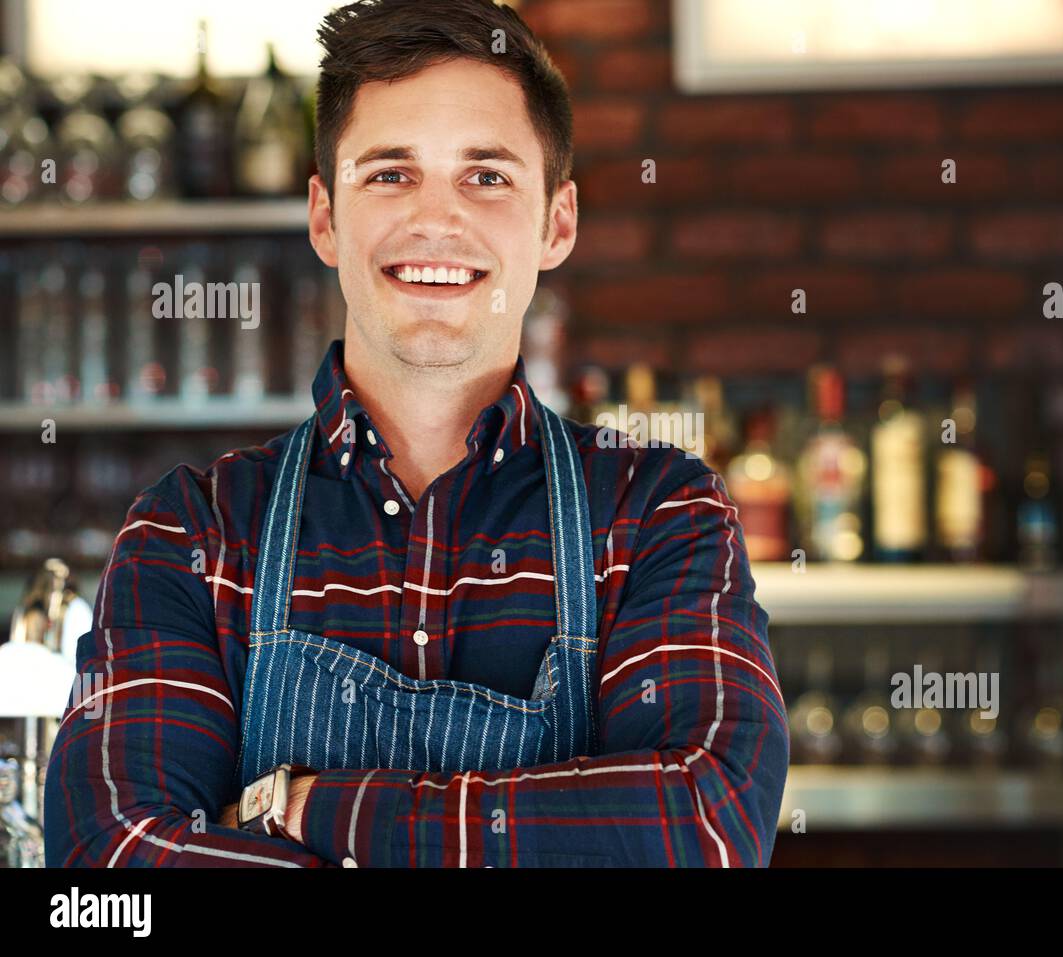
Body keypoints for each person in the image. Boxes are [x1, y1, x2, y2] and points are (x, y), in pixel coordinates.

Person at [43, 0, 789, 867]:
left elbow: (703, 829)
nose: (437, 219)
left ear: (558, 221)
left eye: (487, 176)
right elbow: (110, 865)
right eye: (390, 174)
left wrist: (304, 805)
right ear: (325, 216)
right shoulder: (191, 533)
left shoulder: (658, 513)